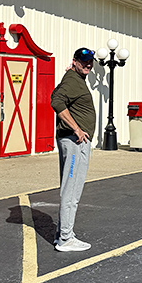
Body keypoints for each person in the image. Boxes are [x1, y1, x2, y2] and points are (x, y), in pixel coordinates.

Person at [50, 47, 97, 252]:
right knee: (72, 190)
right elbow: (56, 101)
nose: (88, 64)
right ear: (75, 61)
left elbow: (56, 93)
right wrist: (77, 129)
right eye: (84, 61)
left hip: (73, 141)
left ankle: (63, 233)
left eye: (90, 61)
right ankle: (65, 239)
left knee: (70, 189)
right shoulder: (72, 80)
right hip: (75, 142)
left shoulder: (73, 79)